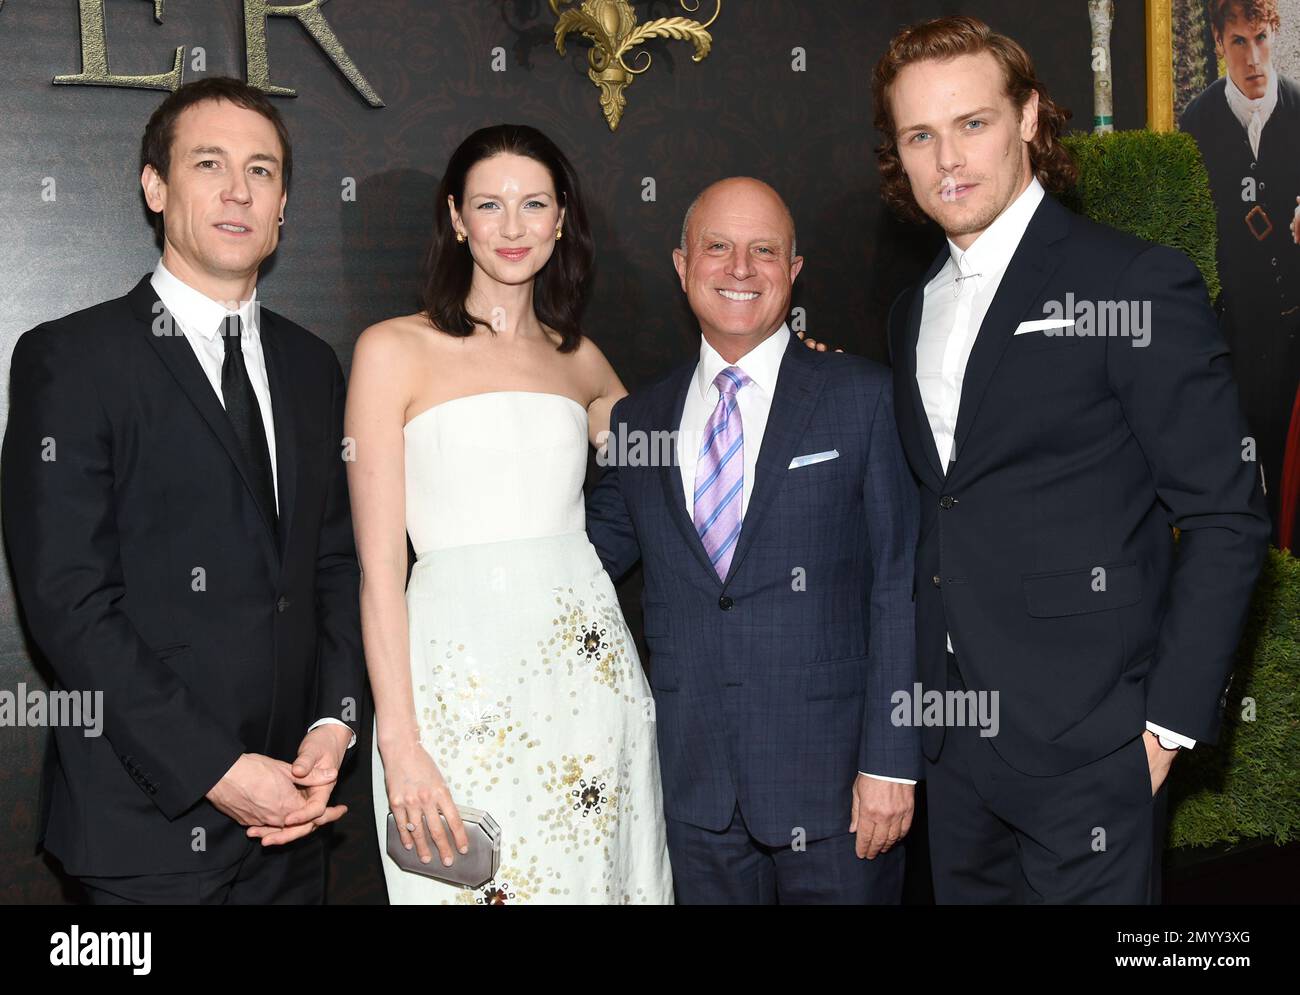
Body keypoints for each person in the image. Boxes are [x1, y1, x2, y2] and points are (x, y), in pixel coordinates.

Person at [874, 15, 1269, 902]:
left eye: (972, 123)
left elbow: (1224, 514)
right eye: (920, 135)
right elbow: (944, 504)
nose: (948, 158)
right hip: (956, 743)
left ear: (1027, 119)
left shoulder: (1131, 281)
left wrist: (1163, 730)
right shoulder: (911, 311)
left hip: (1094, 742)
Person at [1, 77, 364, 904]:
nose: (239, 190)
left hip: (296, 827)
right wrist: (217, 769)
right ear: (156, 186)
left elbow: (335, 564)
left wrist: (333, 724)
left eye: (263, 170)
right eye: (210, 163)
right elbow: (68, 603)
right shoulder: (73, 358)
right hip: (144, 832)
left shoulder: (313, 366)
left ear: (283, 207)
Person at [347, 124, 672, 905]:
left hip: (589, 678)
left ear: (561, 219)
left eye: (534, 204)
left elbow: (682, 463)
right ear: (457, 218)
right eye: (490, 205)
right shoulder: (392, 350)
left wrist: (790, 377)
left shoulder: (581, 359)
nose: (514, 226)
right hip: (455, 682)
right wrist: (401, 739)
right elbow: (379, 568)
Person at [586, 177, 920, 904]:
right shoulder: (638, 422)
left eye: (764, 250)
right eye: (719, 248)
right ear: (682, 266)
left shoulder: (862, 397)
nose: (740, 269)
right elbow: (583, 563)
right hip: (694, 791)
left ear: (794, 271)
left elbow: (901, 581)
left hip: (841, 794)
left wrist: (892, 761)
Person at [1179, 0, 1300, 551]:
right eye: (1237, 42)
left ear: (1274, 36)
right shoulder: (1196, 123)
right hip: (1233, 335)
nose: (1253, 58)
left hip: (1296, 329)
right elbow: (1190, 237)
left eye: (1261, 40)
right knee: (1240, 474)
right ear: (1217, 40)